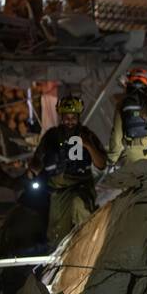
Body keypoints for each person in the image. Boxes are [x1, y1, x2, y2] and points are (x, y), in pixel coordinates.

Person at [29, 95, 106, 245]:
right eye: (66, 118)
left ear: (78, 117)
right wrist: (33, 168)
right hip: (58, 189)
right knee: (57, 234)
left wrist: (89, 145)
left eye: (73, 118)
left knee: (80, 208)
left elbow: (101, 164)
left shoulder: (87, 135)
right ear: (61, 117)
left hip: (82, 185)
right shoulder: (51, 136)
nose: (70, 121)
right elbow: (37, 159)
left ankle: (90, 246)